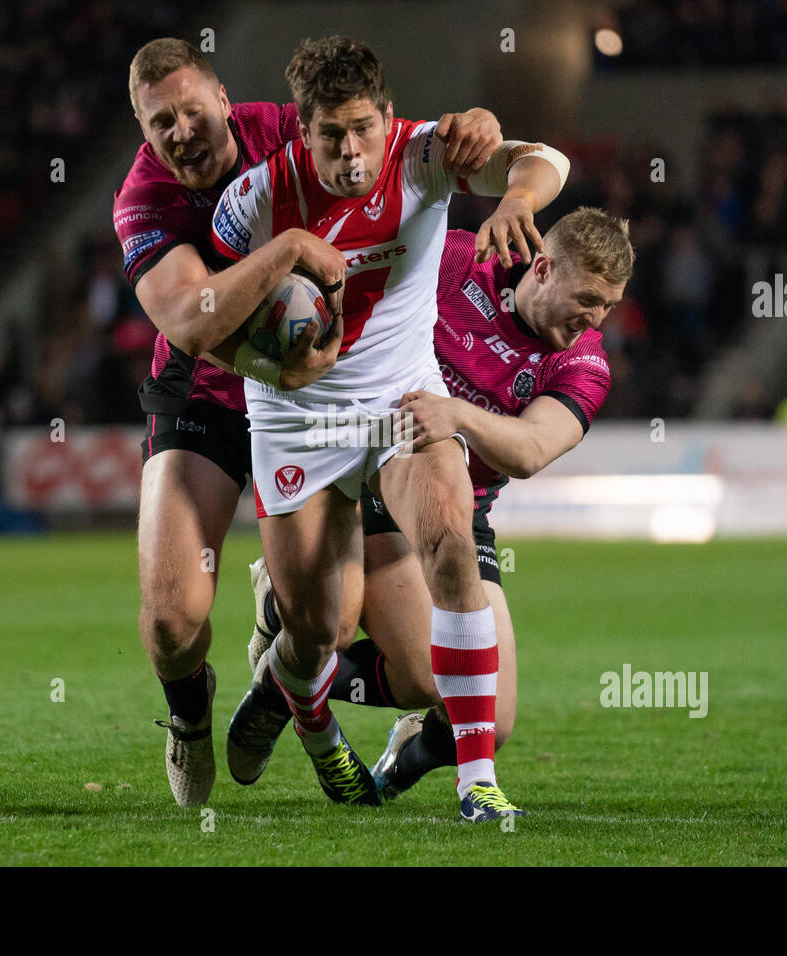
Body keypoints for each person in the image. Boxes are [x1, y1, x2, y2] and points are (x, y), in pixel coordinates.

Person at [113, 36, 503, 807]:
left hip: (331, 396)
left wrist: (483, 137)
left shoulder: (296, 131)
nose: (182, 131)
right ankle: (190, 721)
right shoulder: (142, 202)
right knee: (171, 620)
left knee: (412, 663)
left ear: (226, 101)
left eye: (194, 111)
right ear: (143, 129)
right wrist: (288, 261)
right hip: (208, 395)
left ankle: (287, 645)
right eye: (162, 123)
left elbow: (391, 152)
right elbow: (192, 322)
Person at [210, 36, 569, 820]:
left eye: (364, 128)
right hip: (297, 420)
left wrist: (515, 197)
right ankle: (304, 712)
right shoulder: (252, 203)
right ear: (301, 132)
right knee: (319, 629)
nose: (351, 150)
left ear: (387, 117)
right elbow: (205, 324)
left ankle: (478, 784)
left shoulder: (424, 156)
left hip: (403, 406)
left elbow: (545, 160)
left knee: (450, 542)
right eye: (331, 134)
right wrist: (275, 365)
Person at [232, 207, 629, 803]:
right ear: (543, 268)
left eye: (609, 307)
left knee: (491, 723)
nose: (596, 320)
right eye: (589, 299)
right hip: (375, 474)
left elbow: (530, 449)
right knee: (369, 645)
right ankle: (294, 645)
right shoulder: (455, 260)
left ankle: (381, 744)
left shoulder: (583, 362)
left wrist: (457, 414)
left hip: (462, 511)